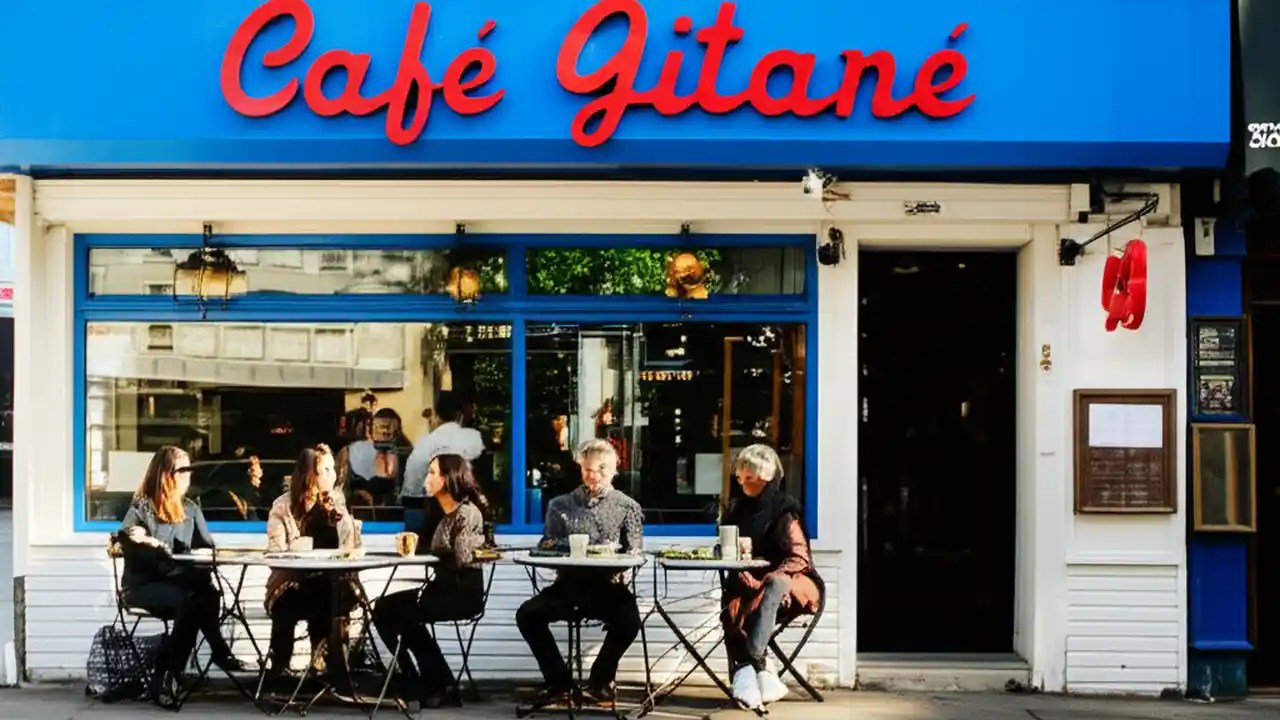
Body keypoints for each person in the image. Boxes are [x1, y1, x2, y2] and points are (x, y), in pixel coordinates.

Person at [516, 439, 644, 706]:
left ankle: (600, 683)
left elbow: (635, 554)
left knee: (629, 620)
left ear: (613, 470)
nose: (593, 475)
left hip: (608, 587)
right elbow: (546, 545)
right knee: (528, 615)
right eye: (587, 469)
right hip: (569, 585)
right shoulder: (561, 505)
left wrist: (613, 559)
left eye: (601, 469)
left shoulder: (627, 506)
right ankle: (559, 683)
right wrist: (568, 550)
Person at [116, 446, 248, 702]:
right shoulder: (142, 508)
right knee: (193, 601)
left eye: (190, 469)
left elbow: (207, 550)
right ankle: (188, 665)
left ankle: (170, 674)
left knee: (206, 595)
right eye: (183, 470)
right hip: (145, 585)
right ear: (165, 474)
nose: (189, 475)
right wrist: (150, 544)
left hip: (181, 583)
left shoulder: (190, 509)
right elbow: (129, 542)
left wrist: (200, 558)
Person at [372, 454, 489, 709]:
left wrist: (442, 551)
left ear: (448, 479)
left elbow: (464, 559)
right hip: (439, 588)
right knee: (381, 608)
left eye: (432, 473)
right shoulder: (437, 512)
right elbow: (426, 552)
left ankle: (441, 683)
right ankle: (411, 676)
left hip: (462, 592)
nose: (427, 478)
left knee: (405, 613)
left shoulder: (467, 514)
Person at [720, 444, 821, 711]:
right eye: (740, 476)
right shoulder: (736, 510)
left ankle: (754, 656)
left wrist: (763, 579)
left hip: (792, 582)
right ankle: (757, 671)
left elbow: (799, 559)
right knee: (733, 605)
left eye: (749, 477)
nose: (742, 482)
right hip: (750, 583)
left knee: (773, 585)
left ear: (766, 477)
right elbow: (731, 555)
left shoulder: (784, 511)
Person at [264, 444, 361, 683]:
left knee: (336, 596)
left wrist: (348, 524)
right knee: (288, 606)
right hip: (292, 585)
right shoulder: (283, 507)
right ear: (310, 474)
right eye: (326, 469)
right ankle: (280, 667)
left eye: (333, 469)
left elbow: (352, 548)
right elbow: (276, 552)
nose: (333, 475)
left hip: (332, 586)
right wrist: (305, 548)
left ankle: (331, 666)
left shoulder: (337, 504)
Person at [402, 394, 484, 540]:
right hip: (437, 513)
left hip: (412, 512)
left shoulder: (424, 442)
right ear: (461, 413)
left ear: (437, 414)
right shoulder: (470, 438)